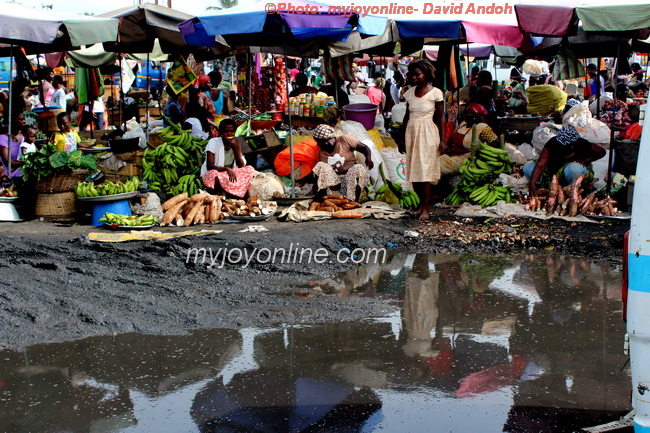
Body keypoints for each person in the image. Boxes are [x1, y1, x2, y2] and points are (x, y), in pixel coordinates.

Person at [400, 59, 446, 220]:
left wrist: (443, 139)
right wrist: (401, 137)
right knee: (414, 169)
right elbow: (406, 116)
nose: (413, 77)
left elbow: (441, 117)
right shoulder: (409, 92)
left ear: (426, 74)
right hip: (411, 132)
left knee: (425, 170)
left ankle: (426, 208)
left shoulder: (436, 93)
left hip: (428, 132)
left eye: (417, 74)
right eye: (411, 75)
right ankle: (420, 204)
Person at [523, 126, 606, 196]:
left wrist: (586, 160)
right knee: (528, 167)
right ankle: (545, 187)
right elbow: (540, 165)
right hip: (553, 172)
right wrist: (532, 183)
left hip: (572, 172)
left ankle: (571, 189)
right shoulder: (553, 143)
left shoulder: (581, 143)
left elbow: (601, 152)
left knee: (574, 168)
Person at [310, 124, 373, 202]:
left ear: (326, 141)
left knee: (358, 168)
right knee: (321, 165)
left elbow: (364, 148)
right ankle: (332, 198)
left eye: (319, 142)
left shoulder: (344, 140)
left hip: (350, 177)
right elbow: (319, 173)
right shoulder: (321, 152)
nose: (318, 145)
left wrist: (368, 159)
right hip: (335, 180)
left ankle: (352, 201)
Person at [201, 119, 256, 198]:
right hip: (218, 172)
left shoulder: (236, 142)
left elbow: (241, 165)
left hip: (230, 173)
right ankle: (223, 191)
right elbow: (209, 166)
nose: (229, 134)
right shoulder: (213, 142)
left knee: (249, 169)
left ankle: (234, 191)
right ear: (221, 133)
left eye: (231, 131)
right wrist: (226, 169)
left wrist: (234, 148)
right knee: (213, 174)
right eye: (226, 131)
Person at [0, 113, 27, 178]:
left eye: (24, 119)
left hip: (24, 171)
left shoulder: (25, 136)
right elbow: (8, 162)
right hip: (9, 174)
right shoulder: (3, 138)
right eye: (21, 120)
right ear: (14, 122)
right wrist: (25, 163)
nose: (24, 122)